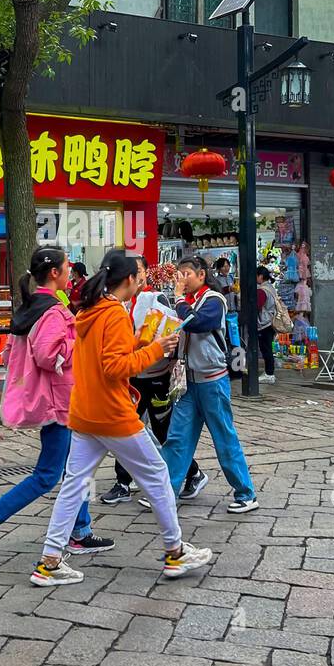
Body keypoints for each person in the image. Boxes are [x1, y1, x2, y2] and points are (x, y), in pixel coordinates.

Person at [33, 250, 211, 585]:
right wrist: (157, 349)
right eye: (139, 278)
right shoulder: (113, 312)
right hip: (112, 413)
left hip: (84, 412)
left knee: (74, 485)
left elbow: (107, 355)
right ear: (130, 280)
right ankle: (175, 552)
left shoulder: (88, 309)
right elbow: (115, 367)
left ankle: (50, 560)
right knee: (157, 474)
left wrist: (144, 341)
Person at [0, 247, 113, 570]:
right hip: (60, 403)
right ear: (55, 274)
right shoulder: (53, 310)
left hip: (60, 401)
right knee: (47, 475)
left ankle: (80, 530)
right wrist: (81, 344)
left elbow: (10, 353)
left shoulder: (34, 305)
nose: (70, 269)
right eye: (66, 266)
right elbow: (47, 355)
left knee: (77, 467)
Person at [154, 256, 259, 513]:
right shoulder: (186, 302)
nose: (182, 279)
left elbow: (198, 323)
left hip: (213, 382)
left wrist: (178, 298)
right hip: (189, 383)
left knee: (224, 437)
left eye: (187, 274)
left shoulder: (214, 300)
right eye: (179, 274)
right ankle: (167, 492)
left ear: (202, 275)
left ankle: (246, 493)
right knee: (177, 438)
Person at [102, 257, 206, 505]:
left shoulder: (155, 298)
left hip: (155, 374)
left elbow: (170, 331)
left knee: (162, 430)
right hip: (131, 374)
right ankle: (123, 481)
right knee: (126, 427)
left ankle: (192, 473)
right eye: (131, 272)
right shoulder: (123, 302)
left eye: (138, 271)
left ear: (146, 273)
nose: (134, 276)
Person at [254, 265, 279, 385]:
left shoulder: (262, 290)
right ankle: (270, 373)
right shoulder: (271, 288)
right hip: (271, 321)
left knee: (266, 349)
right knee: (268, 348)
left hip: (264, 323)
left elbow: (257, 306)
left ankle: (269, 374)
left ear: (260, 276)